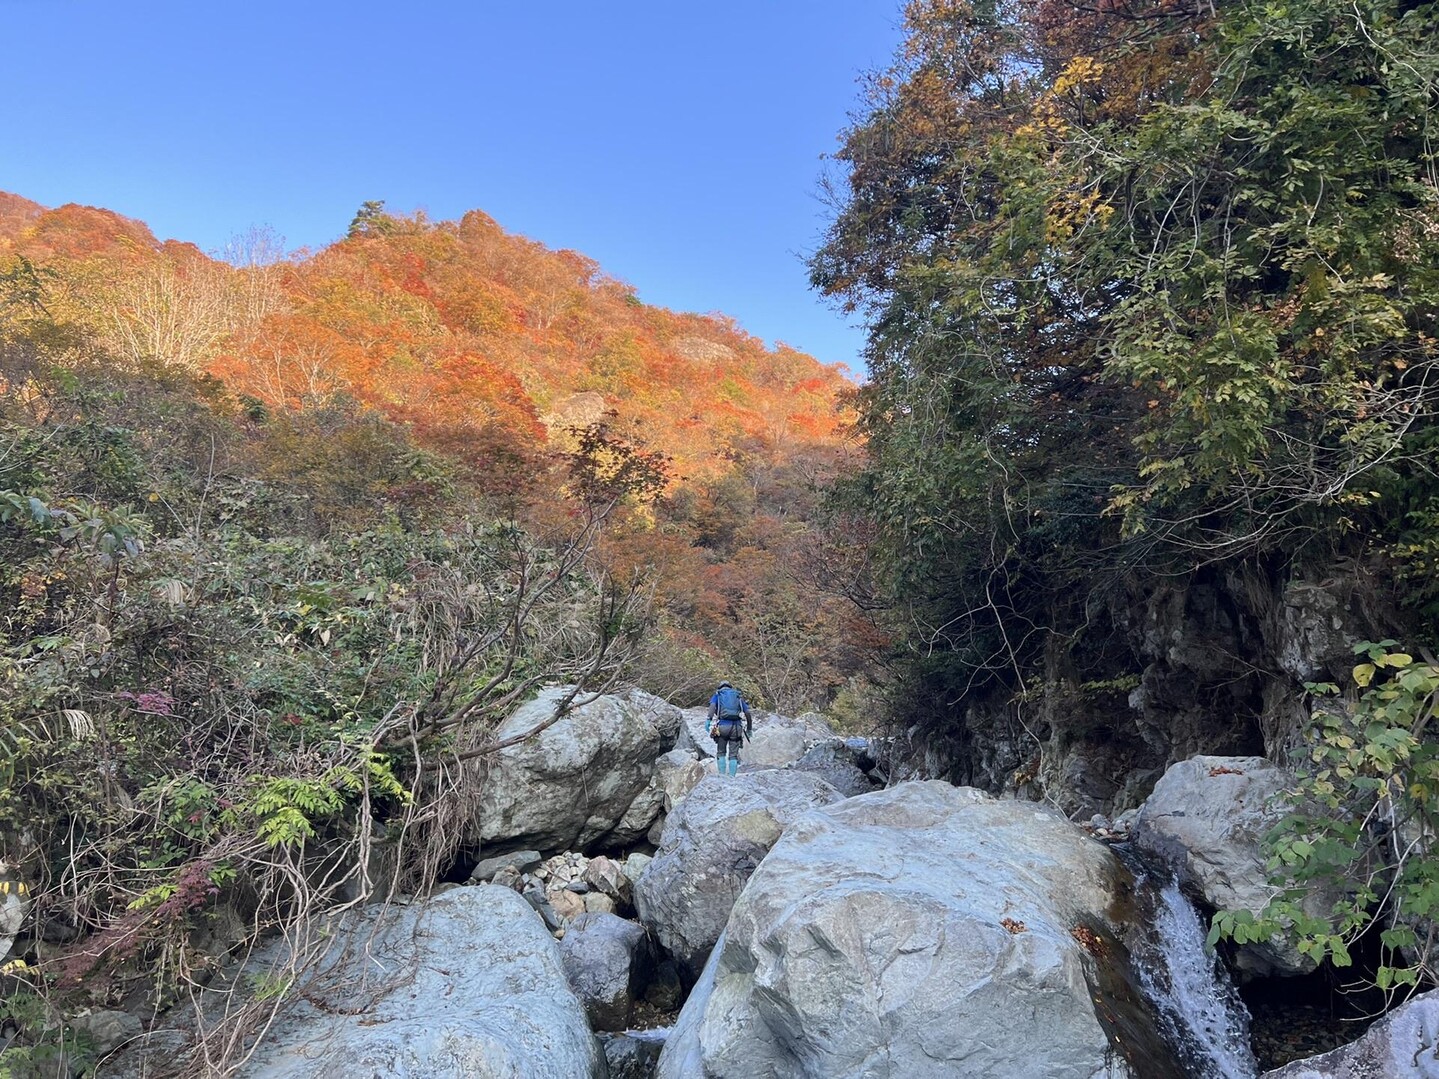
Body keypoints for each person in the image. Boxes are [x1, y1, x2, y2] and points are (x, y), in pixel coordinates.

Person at [705, 681, 752, 777]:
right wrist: (749, 729)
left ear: (720, 687)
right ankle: (732, 777)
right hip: (737, 727)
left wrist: (708, 720)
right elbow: (747, 713)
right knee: (733, 755)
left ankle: (722, 775)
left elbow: (712, 707)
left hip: (723, 727)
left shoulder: (718, 695)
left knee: (721, 752)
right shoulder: (737, 696)